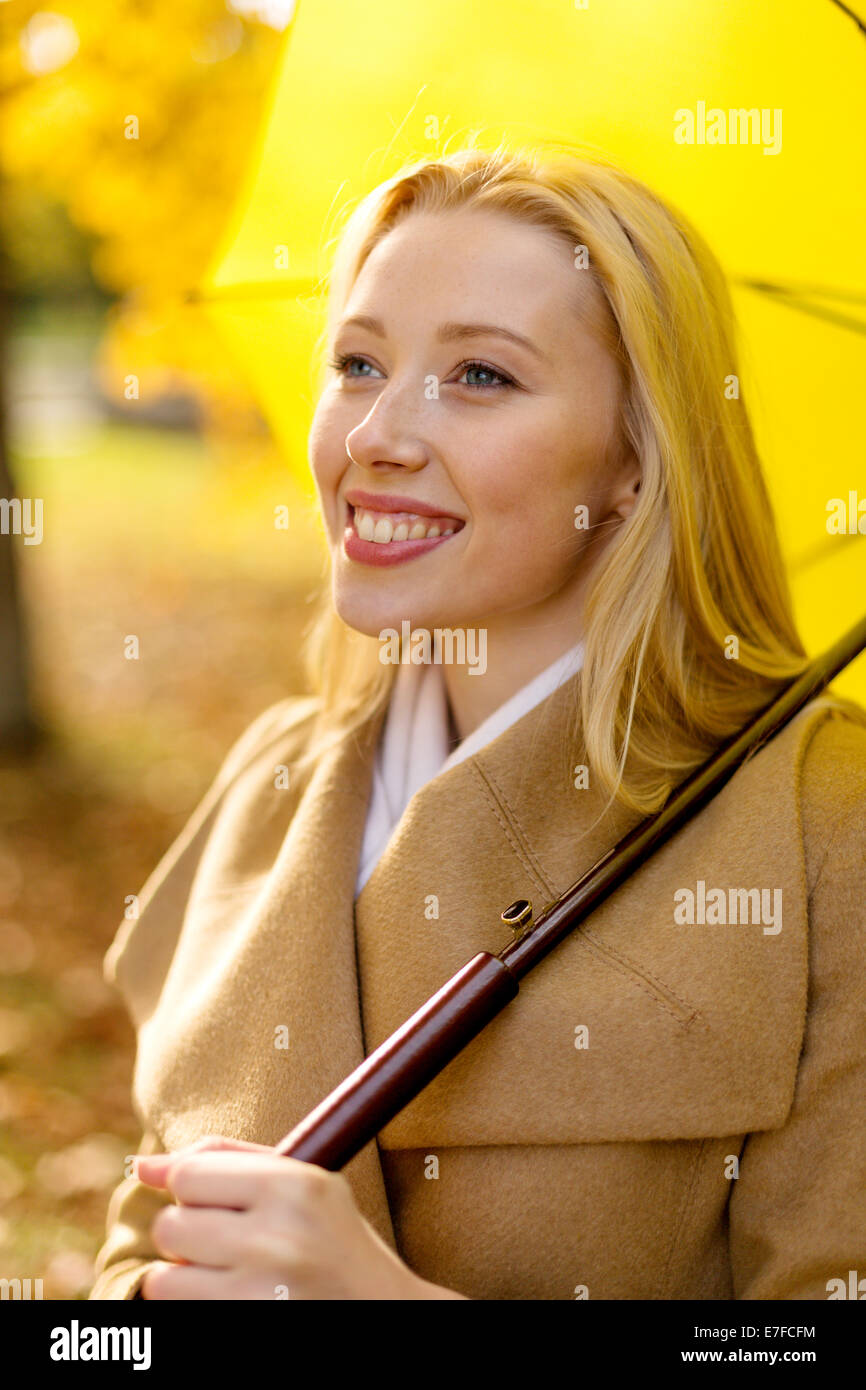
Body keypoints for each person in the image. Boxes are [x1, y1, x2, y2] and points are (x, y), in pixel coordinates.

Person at [89, 144, 866, 1301]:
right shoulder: (270, 784)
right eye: (358, 363)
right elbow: (123, 1268)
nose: (375, 436)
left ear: (633, 461)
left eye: (480, 377)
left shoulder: (818, 820)